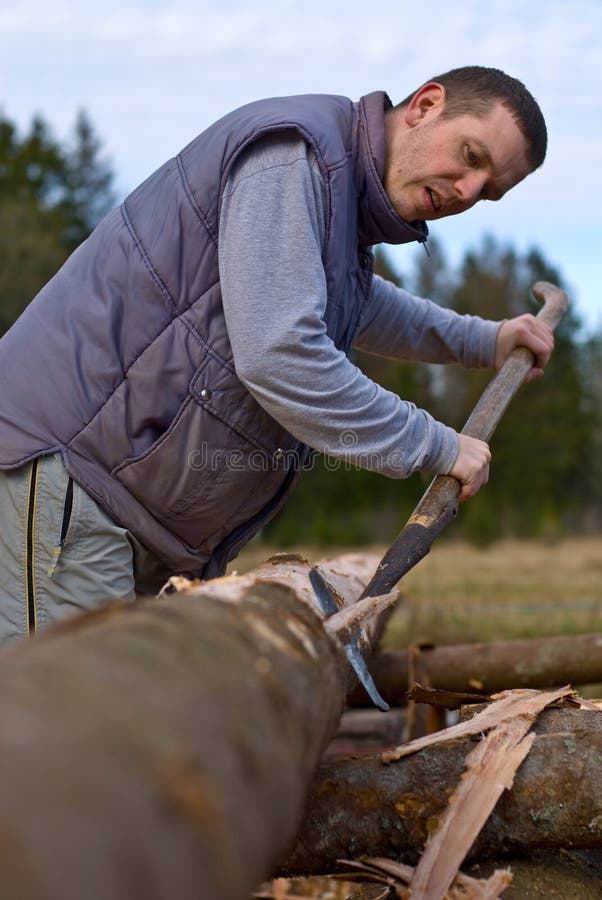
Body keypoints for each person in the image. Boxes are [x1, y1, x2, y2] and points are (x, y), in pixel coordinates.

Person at [0, 65, 554, 644]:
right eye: (470, 155)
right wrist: (435, 444)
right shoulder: (295, 155)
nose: (467, 191)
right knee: (70, 702)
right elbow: (280, 353)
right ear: (425, 104)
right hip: (75, 481)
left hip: (125, 507)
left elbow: (359, 304)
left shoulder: (340, 203)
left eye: (488, 191)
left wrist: (484, 340)